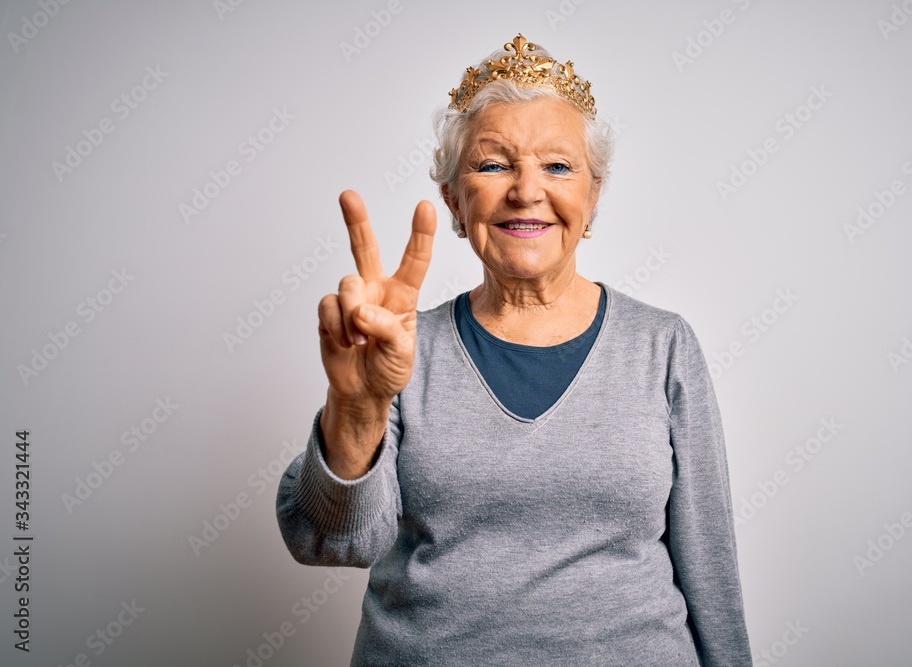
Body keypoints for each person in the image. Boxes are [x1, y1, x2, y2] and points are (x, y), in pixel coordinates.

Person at [276, 33, 752, 666]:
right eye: (494, 164)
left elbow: (709, 563)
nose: (527, 190)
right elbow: (334, 542)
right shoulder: (394, 350)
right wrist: (355, 407)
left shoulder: (661, 346)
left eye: (557, 166)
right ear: (454, 198)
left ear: (593, 197)